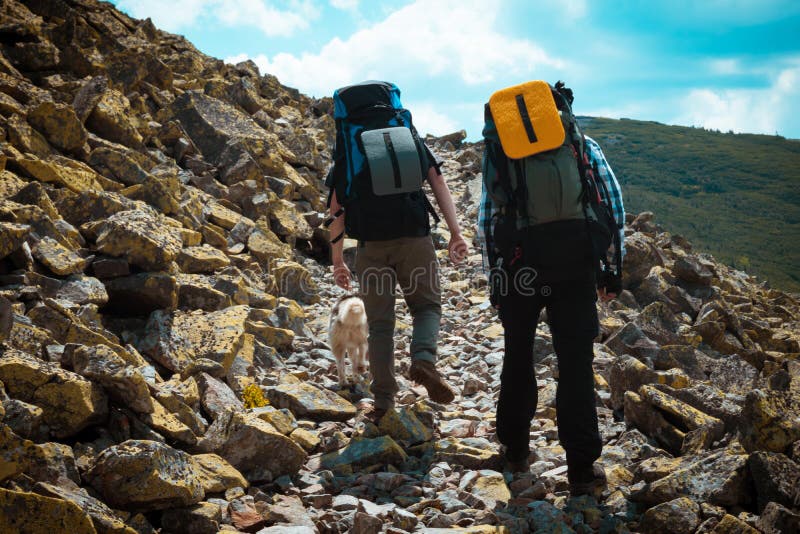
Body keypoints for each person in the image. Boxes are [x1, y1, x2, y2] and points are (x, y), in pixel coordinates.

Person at [477, 81, 625, 495]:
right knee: (576, 364)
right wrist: (612, 270)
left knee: (518, 354)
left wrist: (496, 279)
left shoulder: (499, 150)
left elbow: (487, 219)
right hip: (575, 263)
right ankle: (581, 469)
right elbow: (613, 208)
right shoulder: (580, 143)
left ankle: (515, 451)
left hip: (519, 266)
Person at [326, 81, 468, 422]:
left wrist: (338, 260)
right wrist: (455, 233)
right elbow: (437, 182)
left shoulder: (350, 144)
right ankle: (422, 359)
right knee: (427, 306)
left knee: (379, 326)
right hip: (415, 238)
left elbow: (335, 209)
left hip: (371, 245)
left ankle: (383, 402)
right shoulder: (407, 135)